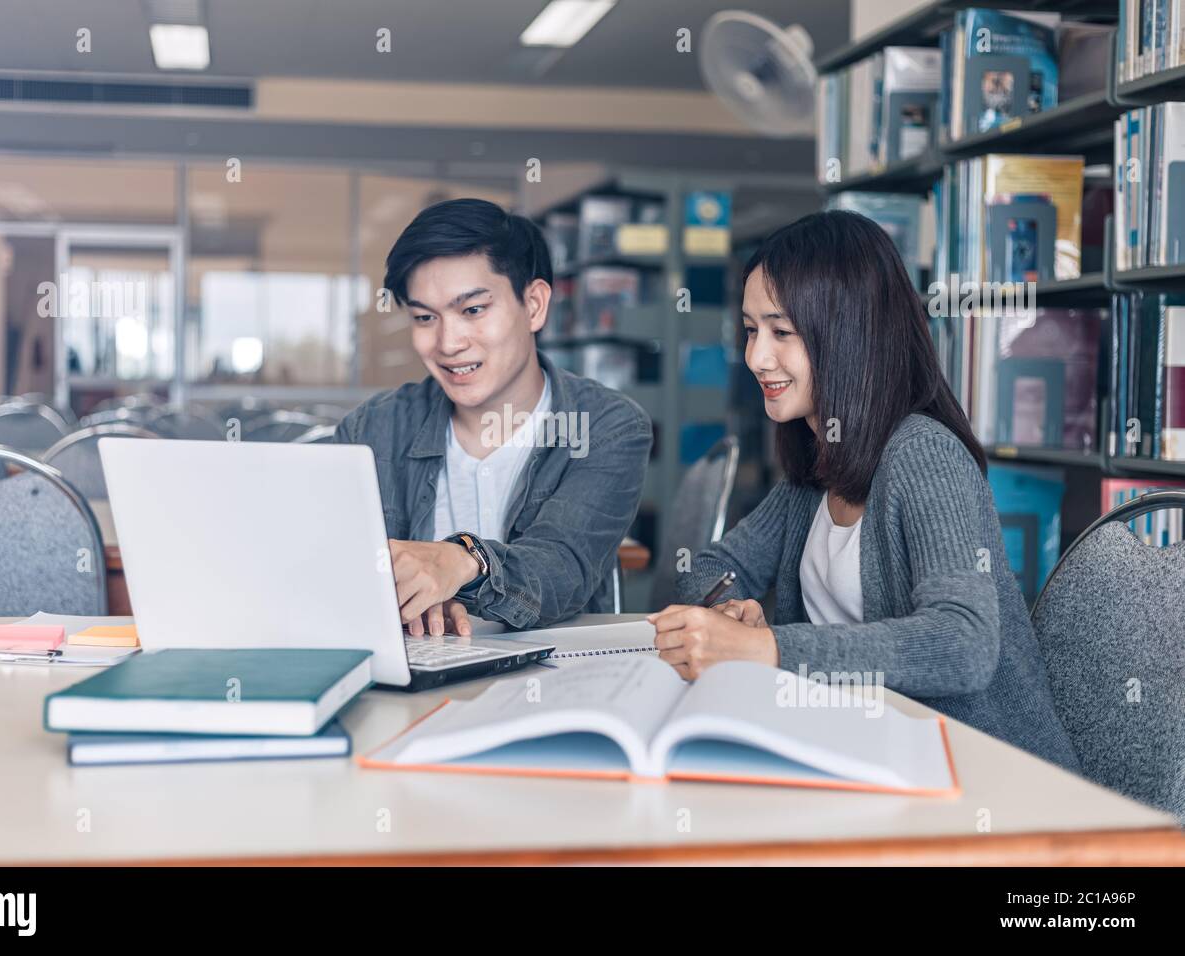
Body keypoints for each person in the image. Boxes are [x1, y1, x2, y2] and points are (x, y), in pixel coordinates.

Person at [651, 209, 1080, 771]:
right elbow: (711, 565)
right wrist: (730, 611)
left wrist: (769, 649)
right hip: (872, 753)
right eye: (752, 330)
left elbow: (964, 643)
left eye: (782, 332)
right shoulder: (816, 469)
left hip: (986, 776)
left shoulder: (923, 454)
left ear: (849, 335)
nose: (756, 357)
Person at [332, 198, 652, 637]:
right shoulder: (372, 429)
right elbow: (329, 566)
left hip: (555, 681)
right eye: (425, 317)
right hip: (412, 680)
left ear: (535, 305)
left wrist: (463, 561)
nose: (448, 343)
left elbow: (562, 567)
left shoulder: (605, 426)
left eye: (473, 310)